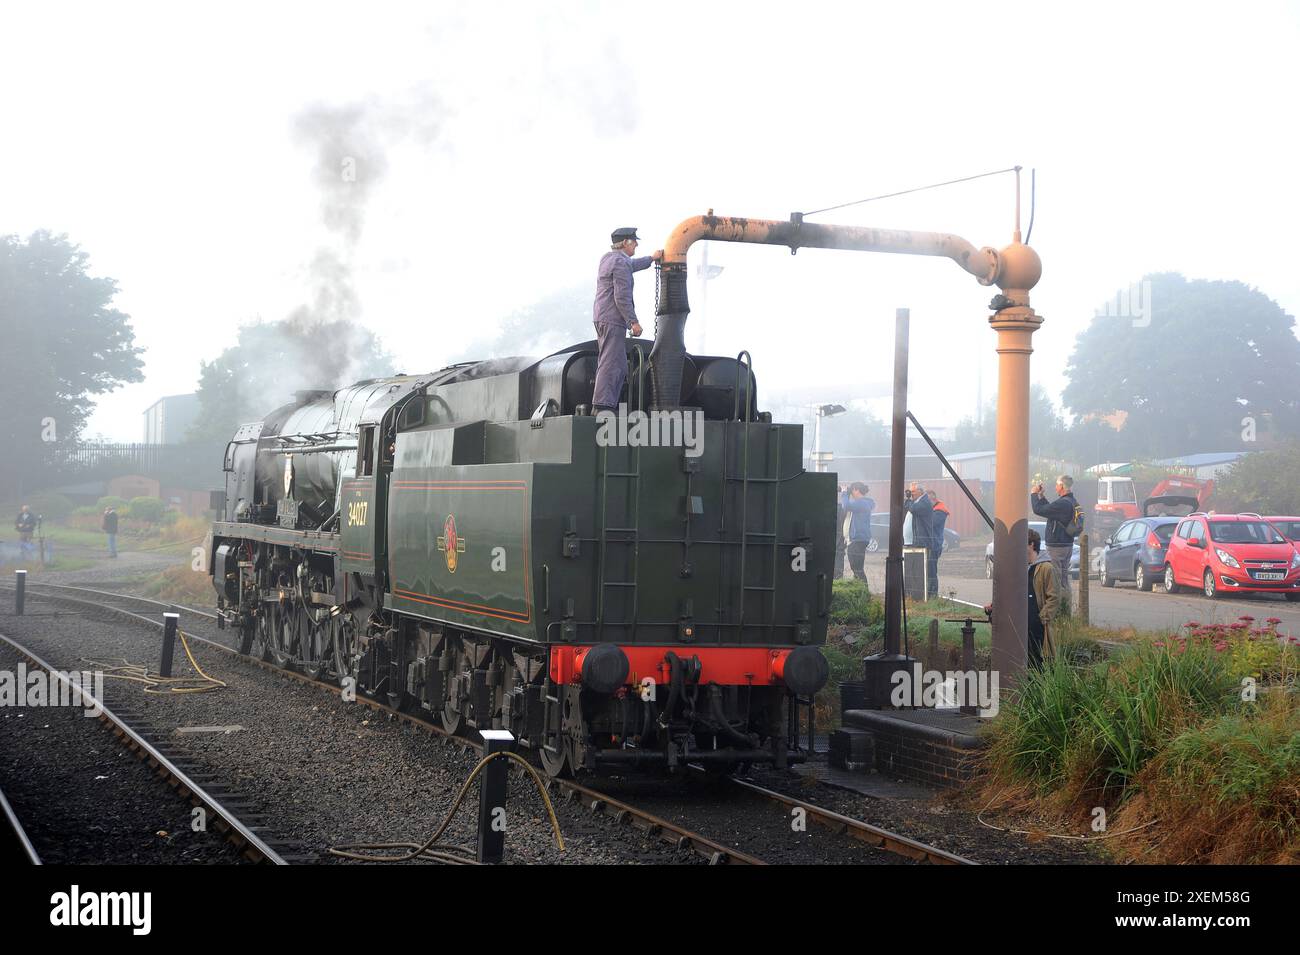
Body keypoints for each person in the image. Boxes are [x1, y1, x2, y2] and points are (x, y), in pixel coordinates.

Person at [592, 227, 663, 413]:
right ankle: (602, 406)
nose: (637, 244)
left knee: (613, 361)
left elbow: (632, 264)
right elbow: (621, 296)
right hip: (613, 318)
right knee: (613, 362)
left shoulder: (610, 259)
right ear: (625, 243)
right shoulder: (620, 263)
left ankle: (604, 403)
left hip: (604, 316)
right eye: (634, 241)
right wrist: (633, 321)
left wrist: (652, 258)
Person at [984, 528, 1059, 670]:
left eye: (1021, 544)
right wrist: (995, 606)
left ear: (1031, 544)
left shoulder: (1047, 568)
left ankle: (1037, 690)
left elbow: (1054, 597)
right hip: (1019, 625)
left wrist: (1041, 618)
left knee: (1036, 661)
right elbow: (1012, 593)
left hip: (1036, 626)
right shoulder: (1020, 568)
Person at [1031, 474, 1080, 615]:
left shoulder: (1063, 503)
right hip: (1066, 544)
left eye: (1057, 484)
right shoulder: (1070, 502)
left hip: (1057, 547)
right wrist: (1041, 497)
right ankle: (1065, 610)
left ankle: (1059, 612)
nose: (1055, 487)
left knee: (1056, 580)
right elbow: (1050, 510)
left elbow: (1039, 510)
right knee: (1063, 579)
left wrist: (1034, 494)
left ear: (1062, 486)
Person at [903, 481, 936, 597]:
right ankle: (916, 594)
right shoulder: (917, 501)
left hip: (923, 541)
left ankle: (929, 595)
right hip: (916, 541)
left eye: (913, 492)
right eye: (910, 492)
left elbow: (913, 509)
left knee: (925, 571)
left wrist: (907, 499)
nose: (911, 494)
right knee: (915, 570)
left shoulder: (924, 502)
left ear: (920, 491)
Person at [841, 482, 875, 582]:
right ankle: (860, 588)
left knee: (857, 568)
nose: (851, 492)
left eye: (852, 490)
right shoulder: (861, 503)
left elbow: (846, 506)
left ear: (856, 490)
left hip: (857, 539)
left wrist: (844, 493)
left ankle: (863, 590)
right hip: (858, 539)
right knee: (856, 568)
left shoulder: (861, 503)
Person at [927, 489, 950, 597]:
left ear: (933, 499)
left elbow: (930, 523)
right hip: (932, 543)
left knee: (931, 571)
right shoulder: (935, 509)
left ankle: (933, 594)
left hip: (934, 545)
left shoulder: (940, 511)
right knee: (929, 570)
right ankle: (929, 593)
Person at [833, 484, 849, 579]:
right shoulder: (842, 509)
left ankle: (837, 577)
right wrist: (845, 492)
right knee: (839, 556)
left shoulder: (838, 508)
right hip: (839, 539)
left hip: (837, 538)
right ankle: (838, 577)